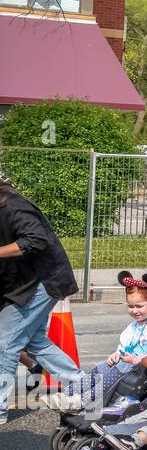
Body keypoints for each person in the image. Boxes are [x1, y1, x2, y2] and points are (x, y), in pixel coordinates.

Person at [0, 178, 85, 423]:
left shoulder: (12, 204)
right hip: (24, 284)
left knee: (6, 343)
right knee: (35, 341)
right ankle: (84, 385)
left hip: (43, 281)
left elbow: (35, 239)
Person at [53, 271, 147, 412]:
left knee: (112, 374)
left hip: (141, 366)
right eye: (130, 306)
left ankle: (82, 400)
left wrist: (134, 359)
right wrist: (116, 354)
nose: (134, 311)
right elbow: (124, 345)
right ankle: (68, 393)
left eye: (139, 306)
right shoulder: (134, 325)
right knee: (101, 367)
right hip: (126, 361)